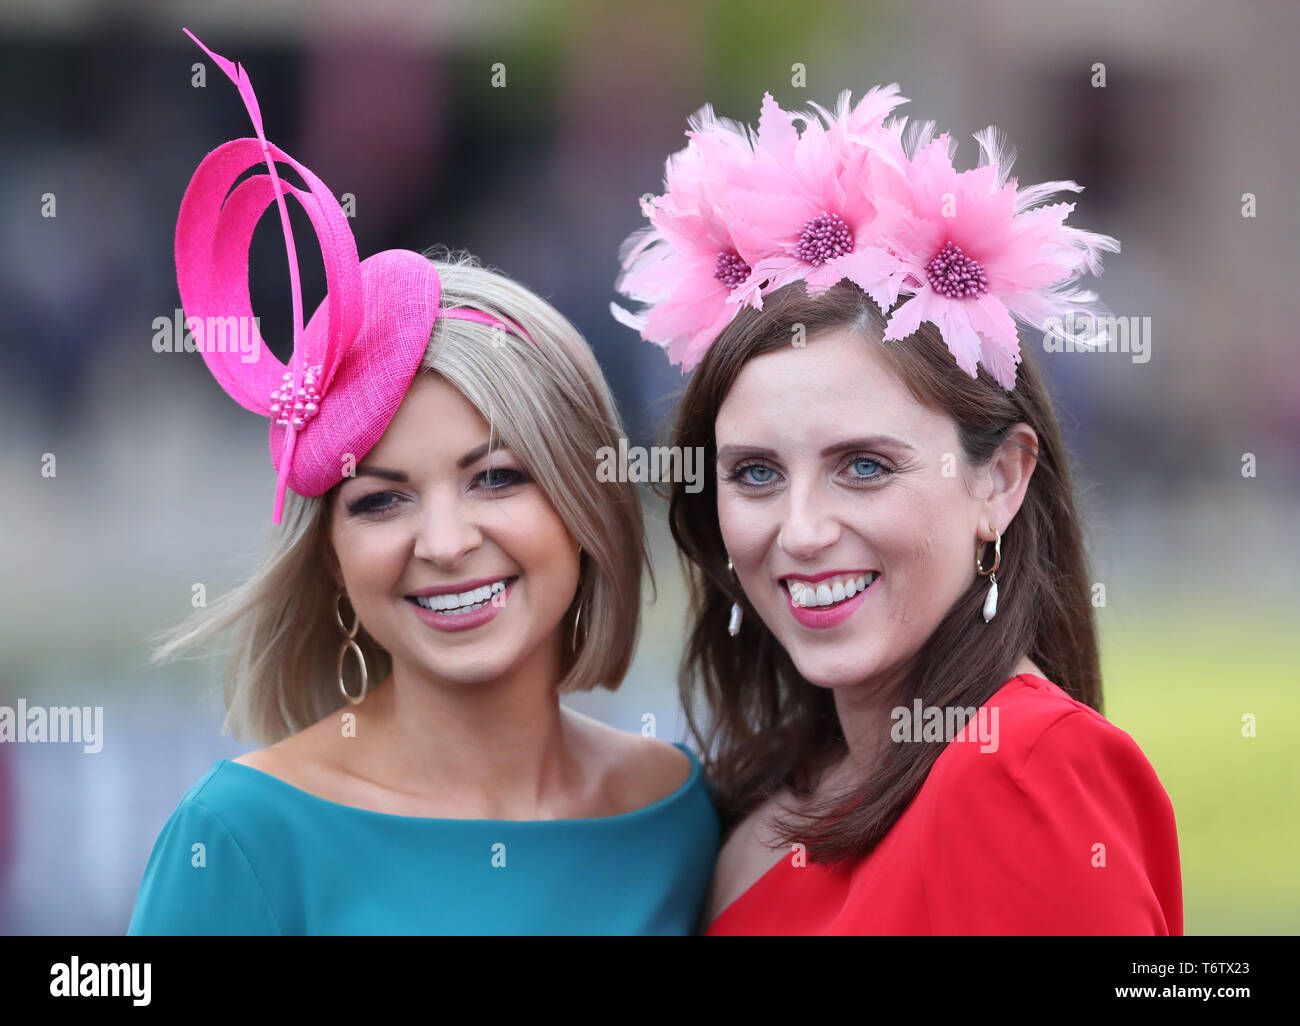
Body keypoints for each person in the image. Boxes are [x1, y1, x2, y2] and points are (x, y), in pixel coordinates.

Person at [126, 31, 718, 936]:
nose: (443, 543)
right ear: (329, 555)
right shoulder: (241, 839)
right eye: (380, 499)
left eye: (496, 479)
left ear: (586, 503)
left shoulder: (682, 816)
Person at [612, 86, 1181, 934]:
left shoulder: (1025, 769)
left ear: (1000, 481)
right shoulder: (761, 801)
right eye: (758, 475)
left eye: (865, 466)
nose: (801, 532)